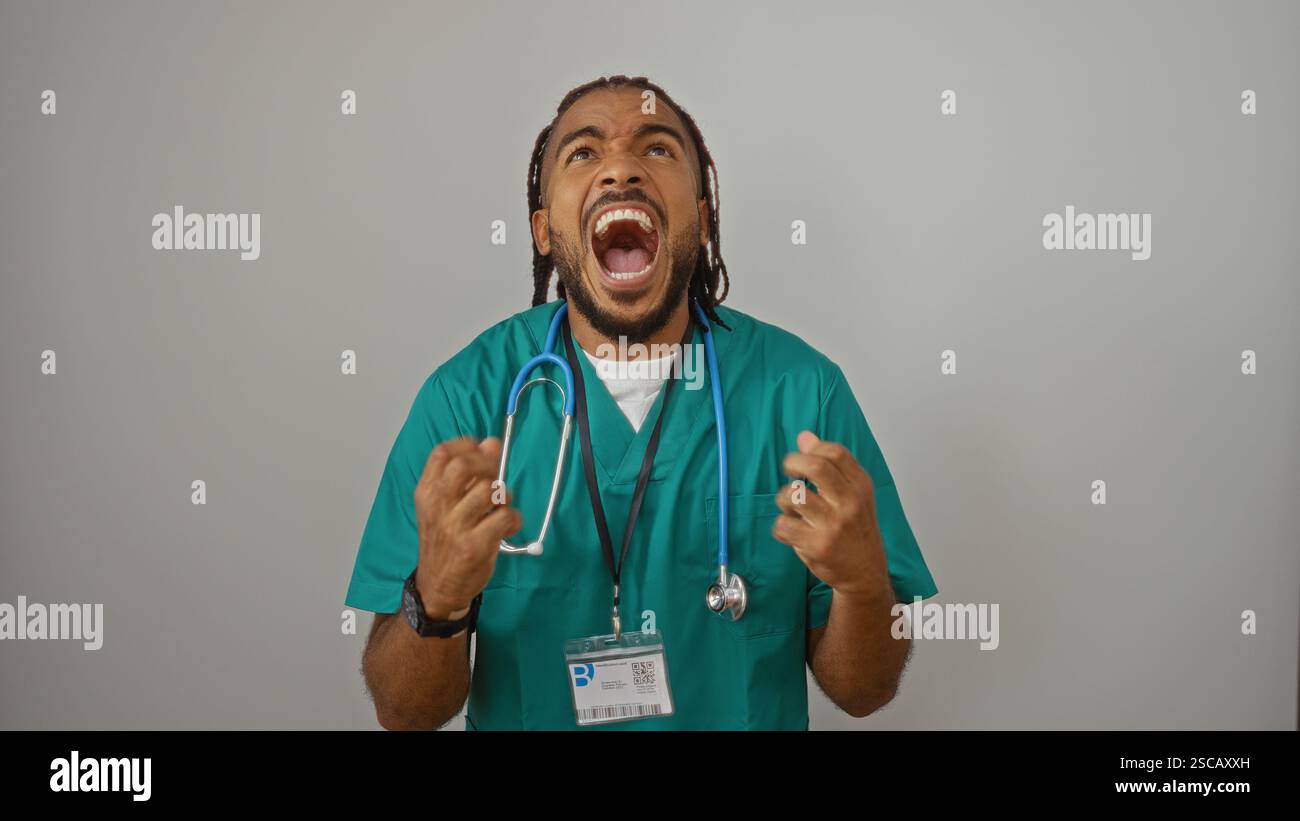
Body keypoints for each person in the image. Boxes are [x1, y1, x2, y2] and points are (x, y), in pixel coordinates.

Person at [344, 75, 938, 730]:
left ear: (704, 216)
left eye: (657, 149)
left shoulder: (803, 395)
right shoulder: (464, 402)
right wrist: (439, 599)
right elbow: (405, 711)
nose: (620, 168)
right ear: (543, 230)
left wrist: (861, 585)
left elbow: (865, 691)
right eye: (583, 152)